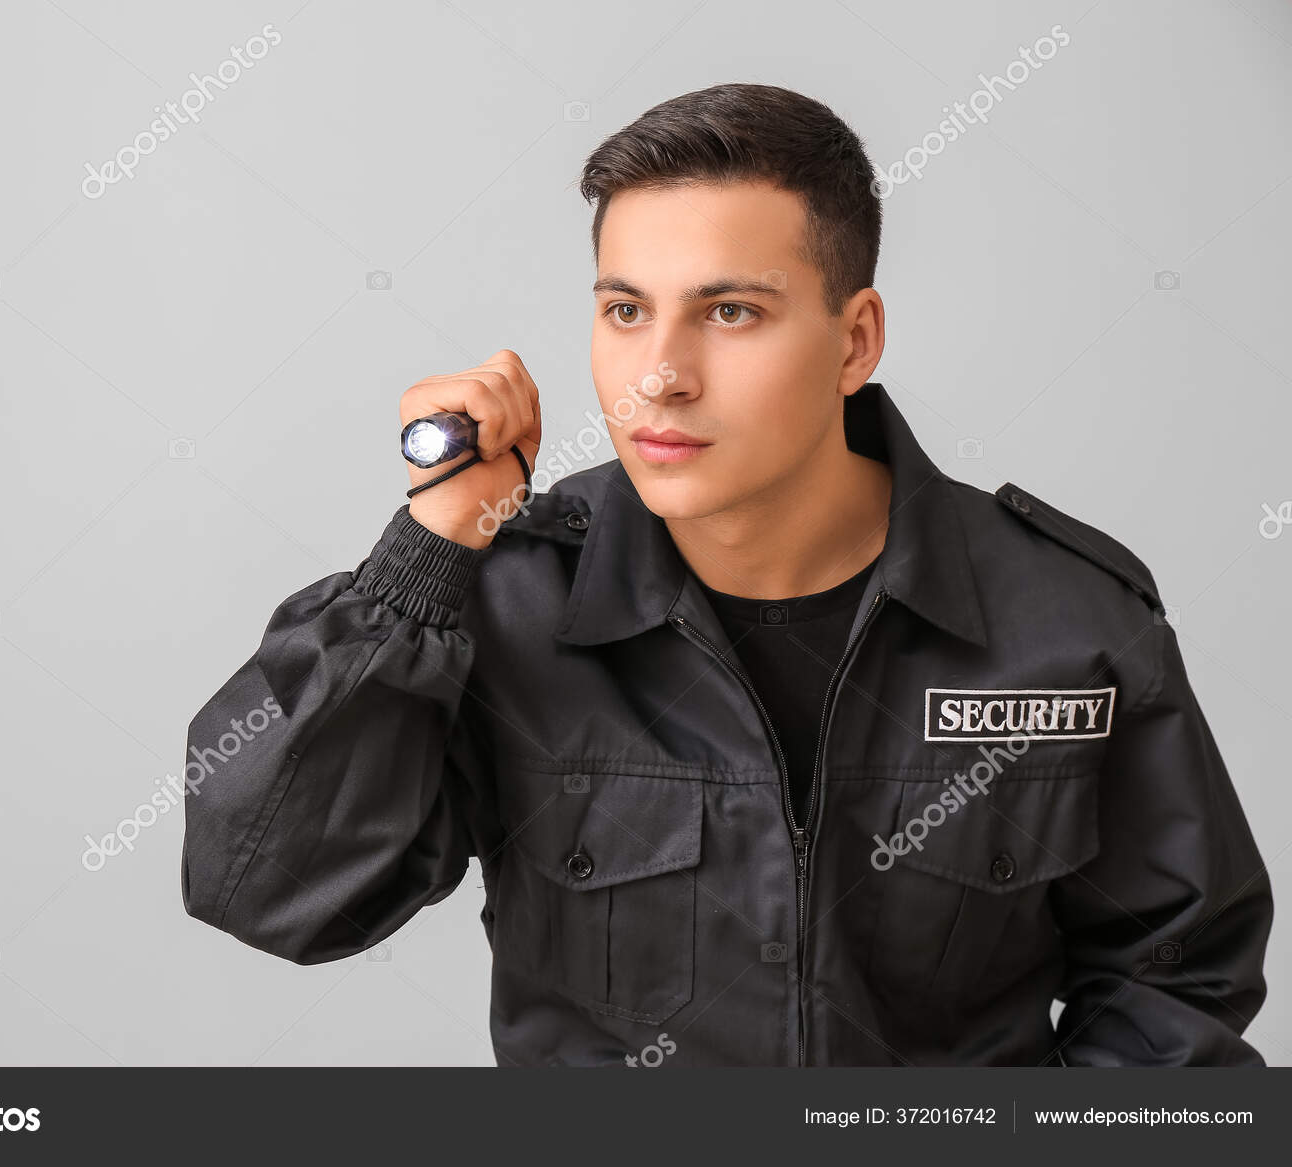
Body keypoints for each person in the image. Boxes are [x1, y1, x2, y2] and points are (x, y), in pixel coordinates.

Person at [181, 83, 1272, 1066]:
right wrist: (428, 554)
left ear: (854, 341)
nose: (658, 374)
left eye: (729, 312)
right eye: (625, 311)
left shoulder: (1065, 619)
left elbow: (1173, 976)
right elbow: (269, 892)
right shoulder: (500, 604)